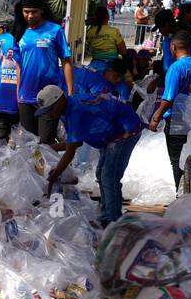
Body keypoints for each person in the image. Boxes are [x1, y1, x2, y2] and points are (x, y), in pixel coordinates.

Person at [40, 84, 144, 225]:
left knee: (109, 177)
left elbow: (71, 150)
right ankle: (106, 214)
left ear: (59, 101)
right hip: (110, 134)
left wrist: (53, 177)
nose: (49, 115)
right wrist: (47, 148)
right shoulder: (68, 108)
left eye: (50, 110)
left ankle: (113, 221)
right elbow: (75, 142)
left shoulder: (75, 111)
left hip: (125, 131)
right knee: (101, 174)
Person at [146, 29, 191, 188]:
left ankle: (182, 194)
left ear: (172, 46)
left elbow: (168, 97)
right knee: (189, 159)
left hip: (177, 119)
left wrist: (156, 117)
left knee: (177, 161)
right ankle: (189, 191)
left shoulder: (175, 68)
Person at [16, 0, 73, 145]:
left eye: (34, 11)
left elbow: (66, 62)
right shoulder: (19, 31)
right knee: (28, 143)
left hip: (50, 96)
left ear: (42, 11)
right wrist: (15, 93)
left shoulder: (55, 30)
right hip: (25, 96)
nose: (29, 15)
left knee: (45, 143)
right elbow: (16, 65)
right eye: (26, 11)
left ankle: (48, 169)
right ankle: (29, 169)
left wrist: (70, 91)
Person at [0, 0, 25, 148]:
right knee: (24, 142)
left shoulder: (1, 39)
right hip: (25, 99)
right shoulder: (29, 40)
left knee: (0, 140)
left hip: (1, 97)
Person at [85, 5, 128, 73]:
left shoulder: (90, 32)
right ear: (107, 17)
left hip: (95, 64)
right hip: (112, 65)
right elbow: (123, 51)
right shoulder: (114, 31)